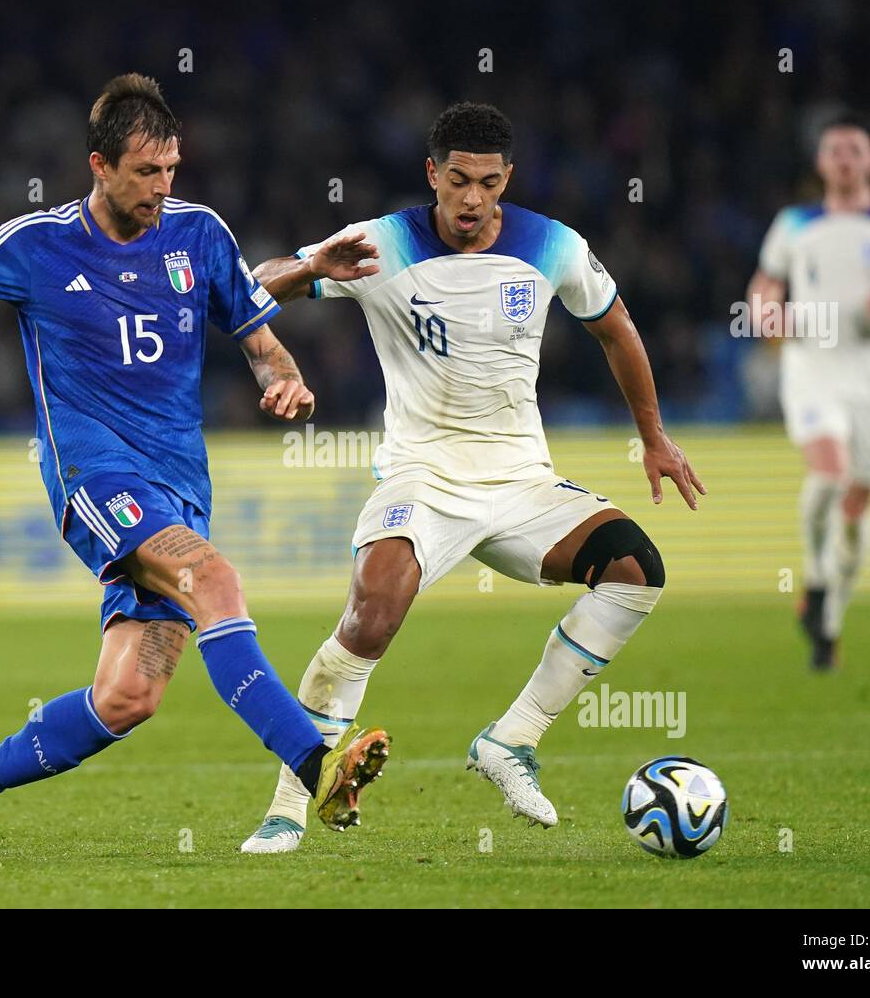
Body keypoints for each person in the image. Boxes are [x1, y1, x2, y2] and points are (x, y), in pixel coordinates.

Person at [0, 74, 390, 861]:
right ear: (99, 164)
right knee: (216, 582)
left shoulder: (199, 234)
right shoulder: (38, 245)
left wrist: (285, 381)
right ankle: (317, 760)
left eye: (171, 170)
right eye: (144, 172)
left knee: (127, 697)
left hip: (179, 487)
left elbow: (261, 341)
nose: (162, 188)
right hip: (96, 478)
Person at [239, 101, 703, 853]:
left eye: (488, 182)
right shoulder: (381, 243)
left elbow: (616, 327)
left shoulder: (552, 245)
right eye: (457, 180)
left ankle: (510, 741)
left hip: (522, 482)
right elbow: (252, 285)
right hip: (422, 477)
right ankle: (289, 805)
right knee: (373, 613)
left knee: (637, 569)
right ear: (433, 174)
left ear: (507, 178)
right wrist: (307, 271)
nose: (472, 198)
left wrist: (653, 437)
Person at [746, 116, 870, 669]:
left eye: (853, 150)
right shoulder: (794, 222)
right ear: (820, 164)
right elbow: (765, 285)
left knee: (857, 510)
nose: (842, 158)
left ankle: (828, 623)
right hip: (812, 366)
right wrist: (766, 313)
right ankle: (815, 581)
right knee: (830, 474)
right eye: (832, 150)